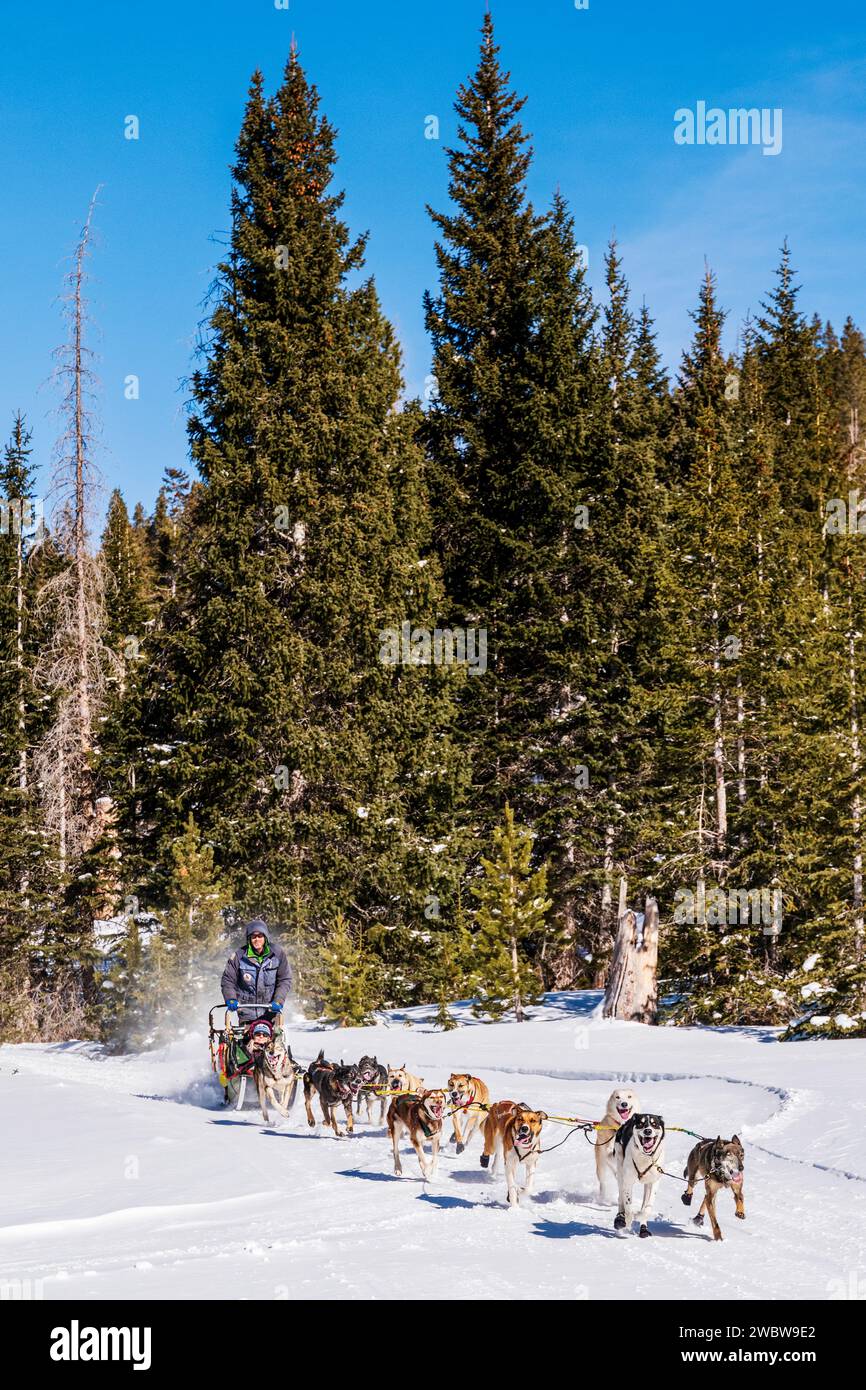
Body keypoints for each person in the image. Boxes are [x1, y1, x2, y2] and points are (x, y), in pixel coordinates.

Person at [221, 918, 292, 1025]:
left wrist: (278, 1000)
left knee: (274, 1040)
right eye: (253, 936)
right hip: (246, 1013)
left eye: (260, 936)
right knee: (246, 1040)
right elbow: (228, 980)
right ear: (249, 939)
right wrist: (230, 998)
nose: (257, 939)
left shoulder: (277, 954)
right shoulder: (238, 956)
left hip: (271, 1012)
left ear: (265, 937)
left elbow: (284, 979)